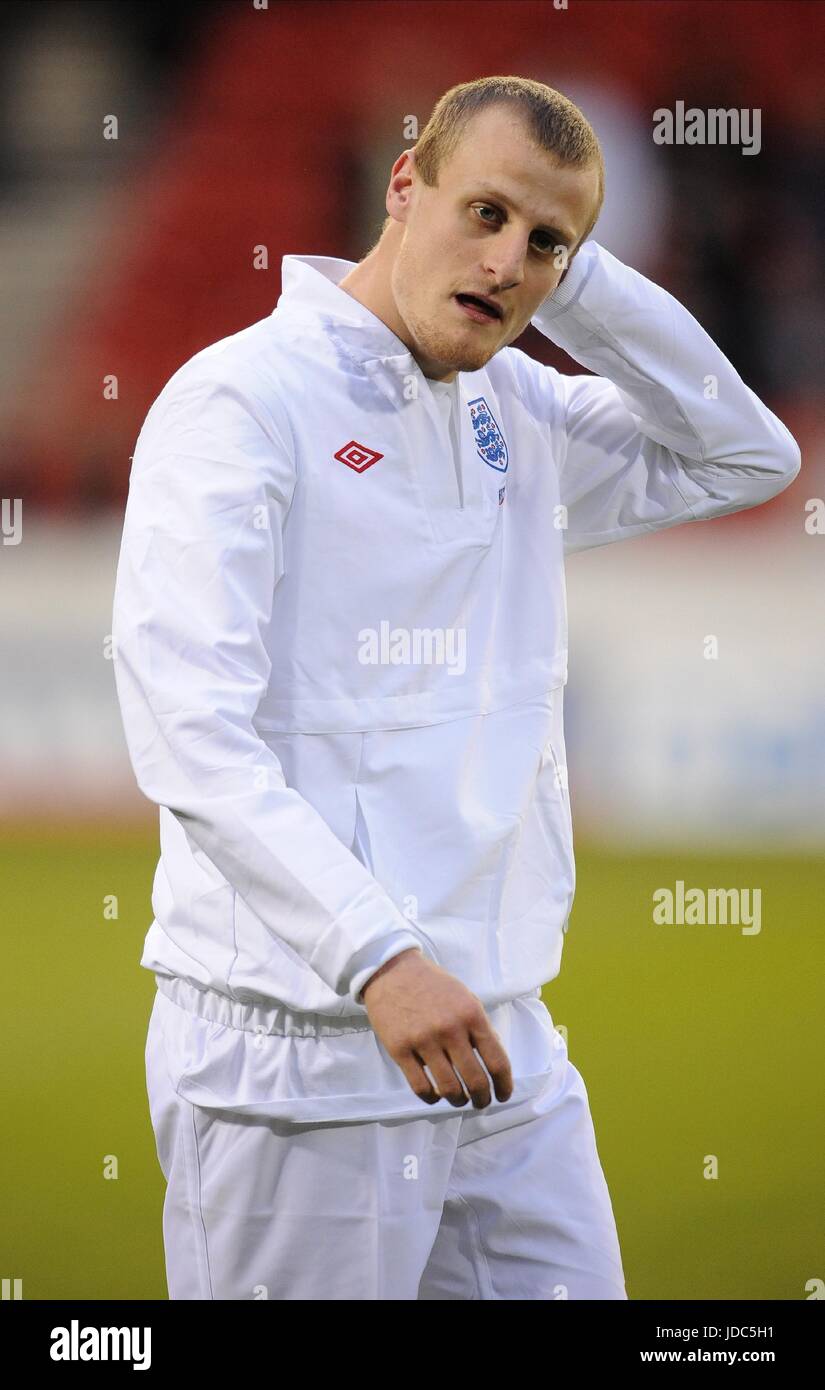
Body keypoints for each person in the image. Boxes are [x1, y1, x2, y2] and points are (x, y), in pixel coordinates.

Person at [112, 76, 801, 1300]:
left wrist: (573, 280)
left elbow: (748, 453)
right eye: (481, 213)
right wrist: (378, 957)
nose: (505, 263)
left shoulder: (517, 407)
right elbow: (190, 732)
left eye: (545, 244)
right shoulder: (238, 403)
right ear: (403, 185)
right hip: (301, 1061)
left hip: (505, 1050)